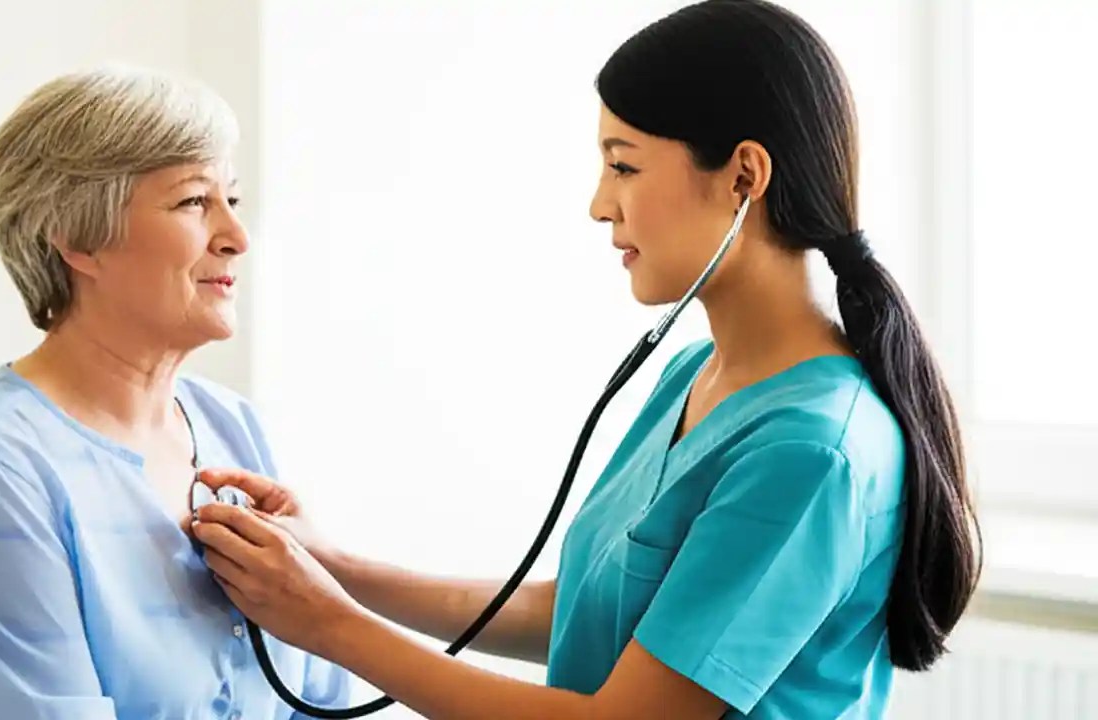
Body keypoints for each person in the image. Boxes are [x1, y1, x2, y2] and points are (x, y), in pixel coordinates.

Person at [188, 1, 983, 718]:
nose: (600, 204)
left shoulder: (811, 451)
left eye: (624, 165)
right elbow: (571, 613)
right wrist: (332, 568)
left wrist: (327, 623)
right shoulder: (695, 374)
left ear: (743, 176)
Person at [0, 65, 351, 720]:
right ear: (77, 237)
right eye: (193, 202)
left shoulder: (233, 425)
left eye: (232, 200)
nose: (237, 238)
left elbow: (318, 701)